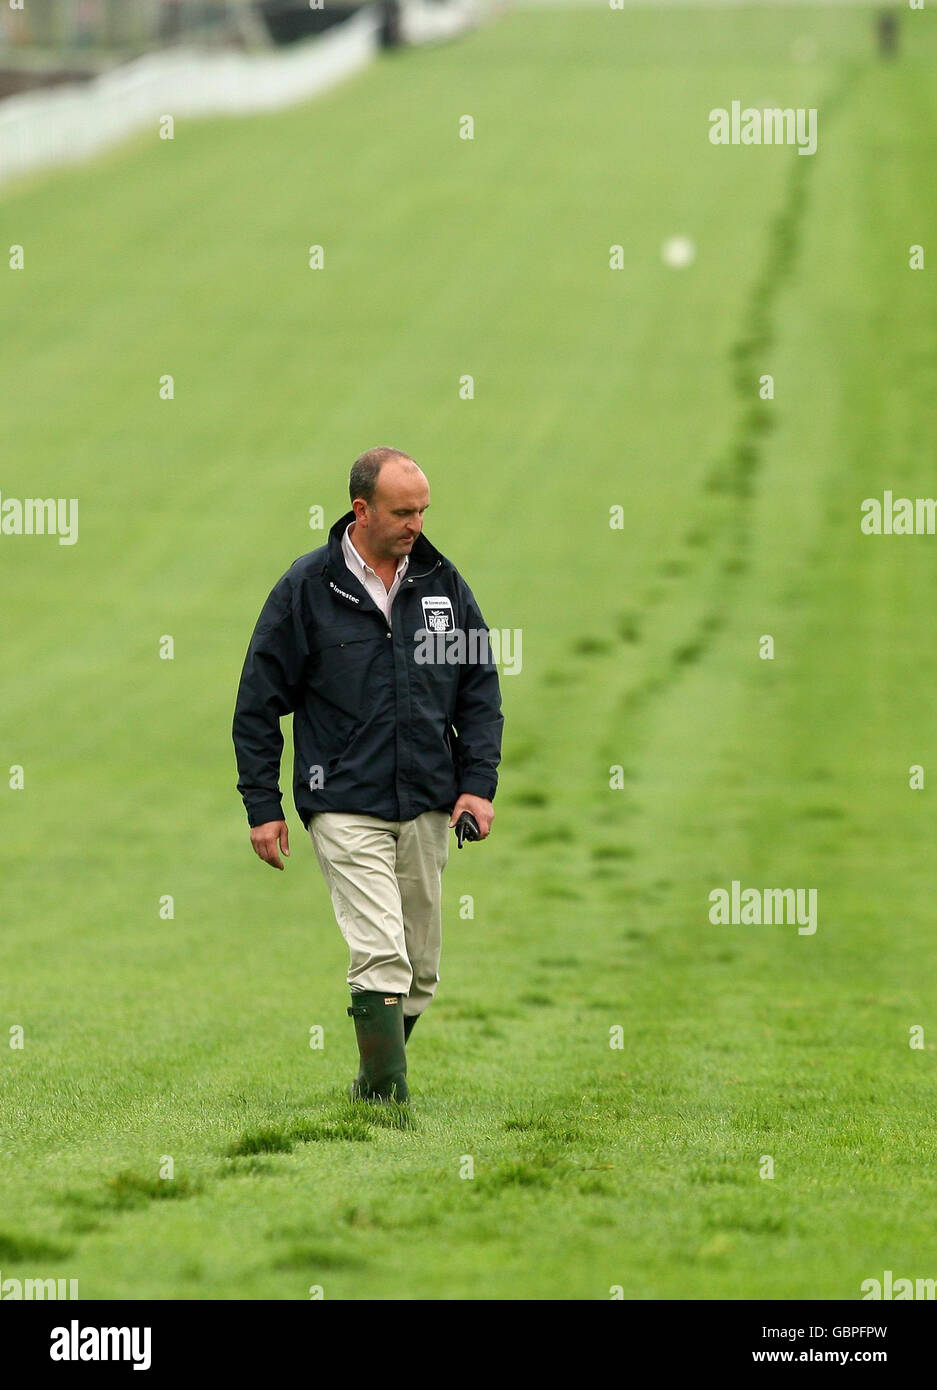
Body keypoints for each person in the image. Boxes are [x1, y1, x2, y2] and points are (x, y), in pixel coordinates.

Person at [232, 447, 503, 1106]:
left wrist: (477, 783)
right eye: (402, 511)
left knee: (421, 971)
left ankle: (369, 1081)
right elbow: (257, 703)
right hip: (342, 801)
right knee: (381, 954)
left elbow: (478, 689)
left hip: (428, 800)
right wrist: (261, 805)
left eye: (422, 511)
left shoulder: (442, 585)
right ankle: (387, 1106)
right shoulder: (306, 589)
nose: (416, 524)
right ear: (362, 509)